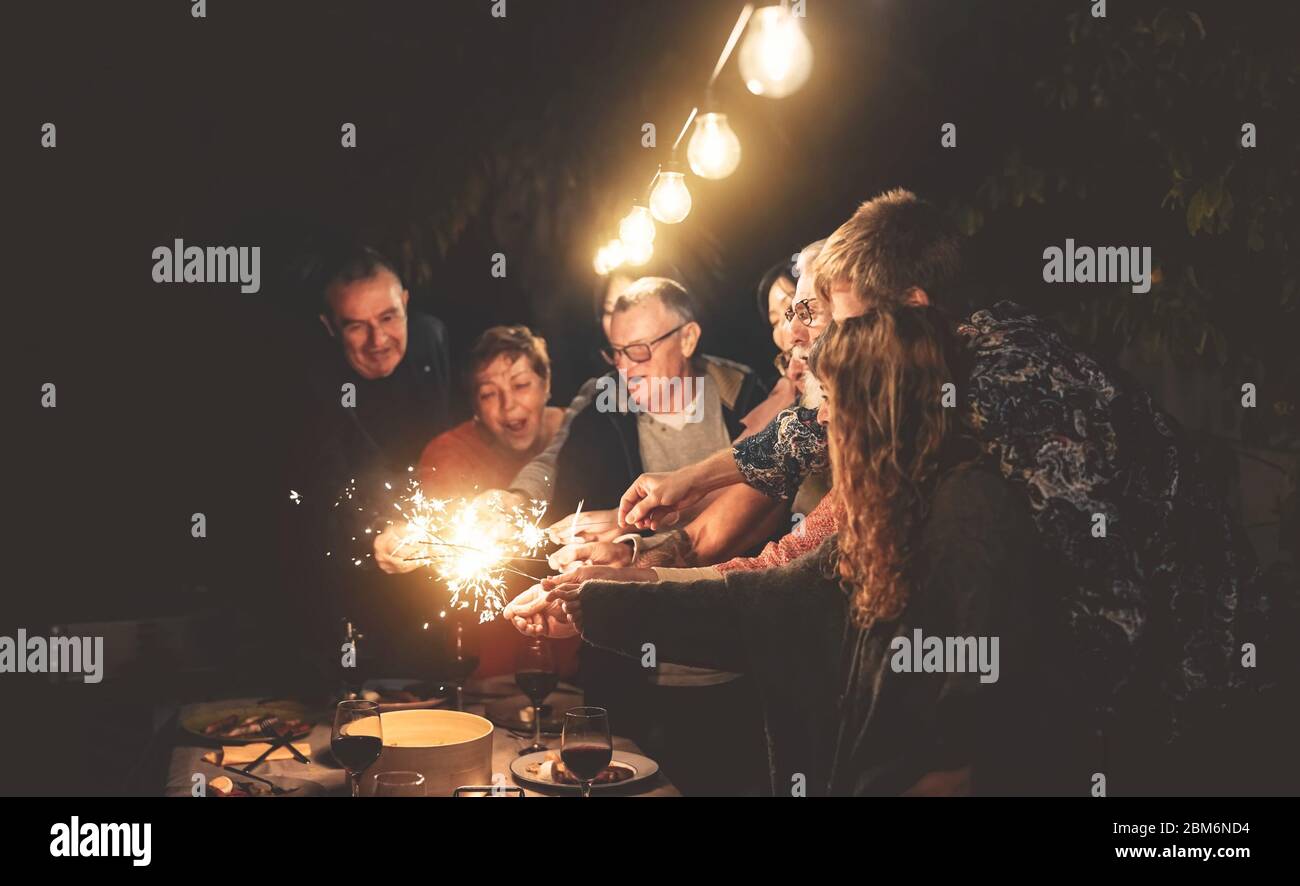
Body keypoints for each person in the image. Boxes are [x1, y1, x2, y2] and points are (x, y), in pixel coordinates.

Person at [615, 188, 1271, 758]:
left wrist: (994, 763)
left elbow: (1107, 604)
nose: (828, 348)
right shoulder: (939, 368)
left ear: (915, 306)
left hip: (1191, 697)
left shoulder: (1017, 386)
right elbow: (814, 440)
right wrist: (690, 483)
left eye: (847, 326)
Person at [527, 308, 1086, 795]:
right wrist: (595, 597)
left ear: (885, 401)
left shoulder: (970, 506)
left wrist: (945, 773)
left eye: (832, 399)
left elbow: (978, 710)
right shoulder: (880, 506)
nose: (819, 419)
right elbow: (765, 598)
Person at [286, 244, 454, 681]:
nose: (378, 342)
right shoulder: (309, 381)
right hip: (343, 577)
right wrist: (377, 531)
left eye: (388, 318)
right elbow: (322, 486)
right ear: (330, 326)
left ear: (406, 304)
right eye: (356, 326)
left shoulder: (433, 339)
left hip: (438, 581)